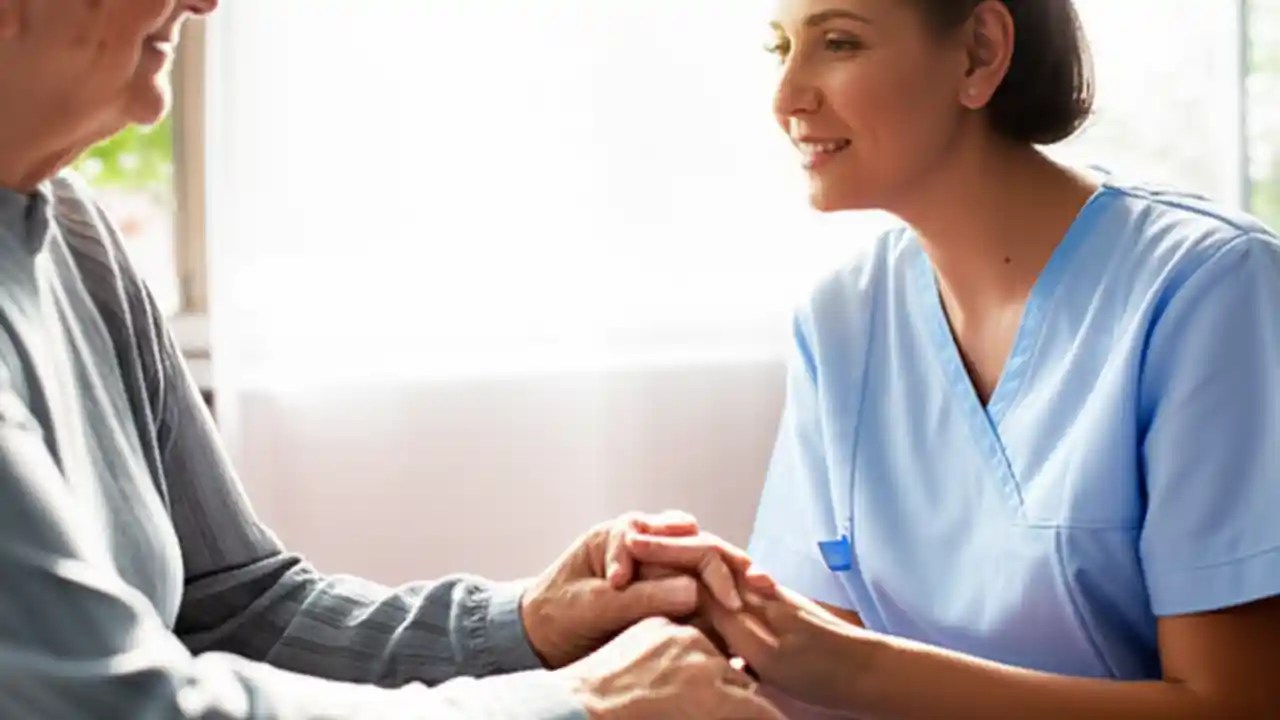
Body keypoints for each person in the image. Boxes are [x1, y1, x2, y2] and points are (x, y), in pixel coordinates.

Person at [0, 1, 785, 718]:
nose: (204, 2)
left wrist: (527, 624)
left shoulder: (76, 238)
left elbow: (239, 614)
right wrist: (581, 703)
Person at [625, 0, 1280, 717]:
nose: (786, 97)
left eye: (838, 42)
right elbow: (805, 670)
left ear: (978, 52)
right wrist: (688, 604)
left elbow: (1237, 705)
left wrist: (860, 670)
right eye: (780, 47)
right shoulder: (843, 319)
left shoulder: (1208, 290)